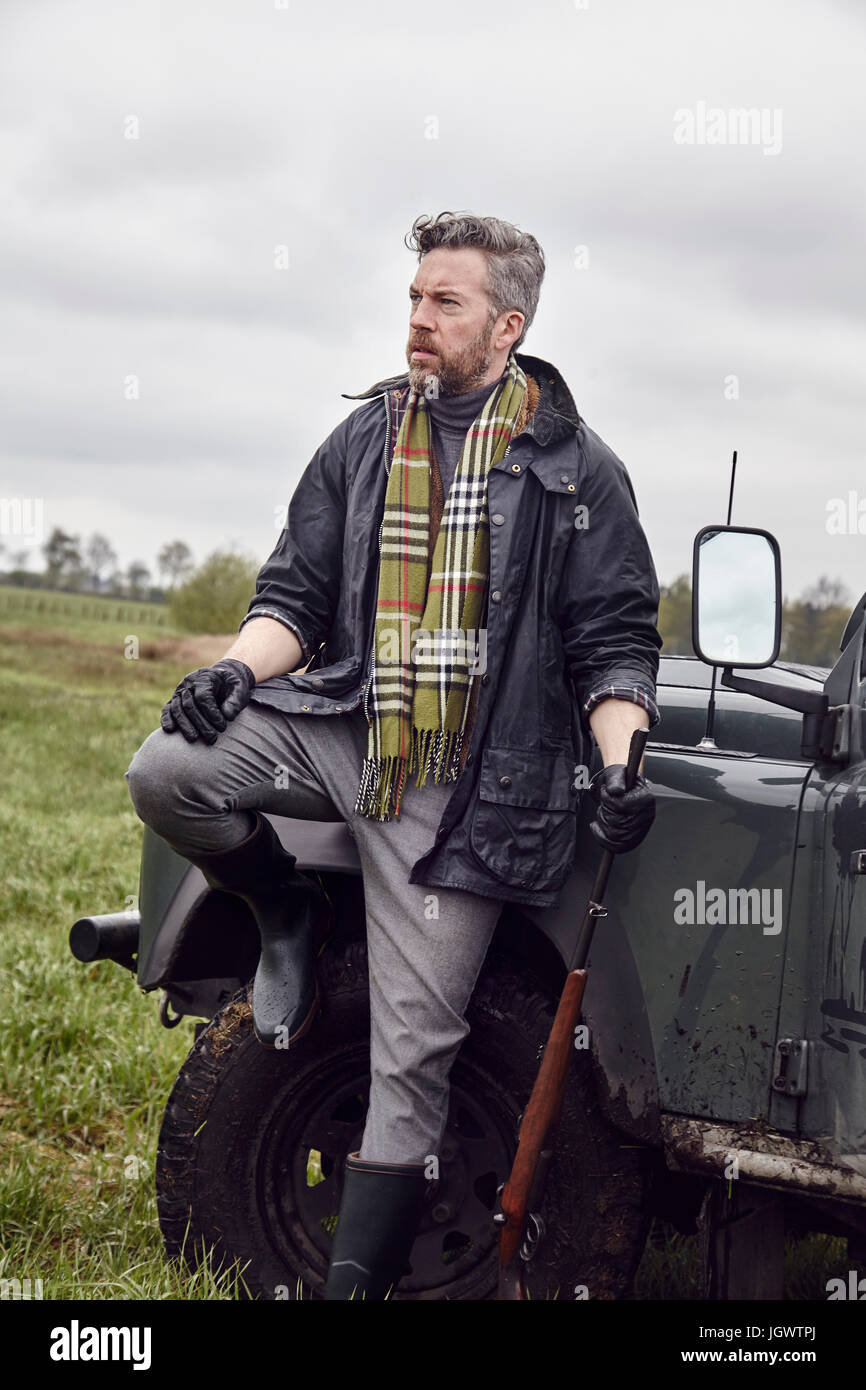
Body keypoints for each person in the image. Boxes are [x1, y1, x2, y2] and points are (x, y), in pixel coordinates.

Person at [125, 210, 662, 1300]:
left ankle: (352, 1289)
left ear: (505, 325)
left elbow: (614, 646)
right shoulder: (367, 435)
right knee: (166, 771)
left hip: (468, 791)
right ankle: (280, 913)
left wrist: (620, 761)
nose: (417, 320)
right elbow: (293, 595)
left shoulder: (575, 472)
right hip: (346, 725)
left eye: (444, 303)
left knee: (409, 1061)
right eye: (414, 297)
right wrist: (238, 668)